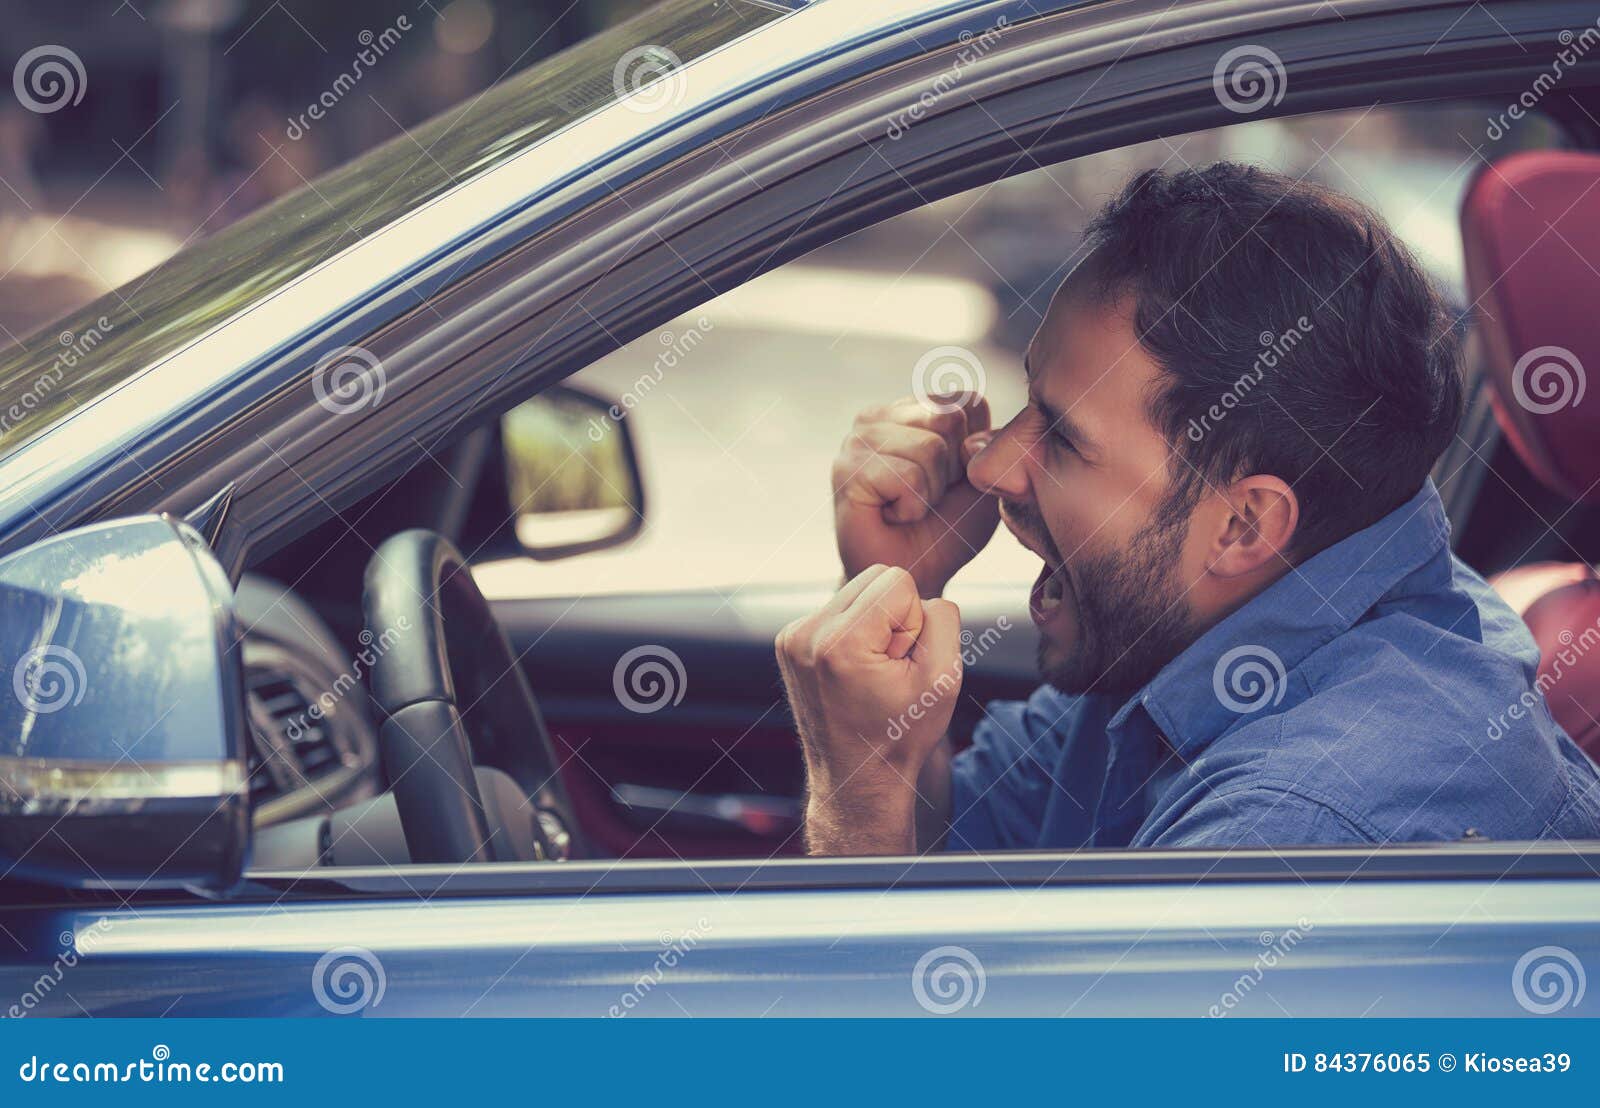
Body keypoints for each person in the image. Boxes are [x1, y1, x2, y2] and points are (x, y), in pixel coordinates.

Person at [775, 162, 1600, 856]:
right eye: (1030, 399)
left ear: (1244, 525)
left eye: (1060, 437)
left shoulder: (1305, 824)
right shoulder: (1195, 620)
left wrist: (859, 791)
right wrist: (891, 590)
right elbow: (970, 846)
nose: (988, 462)